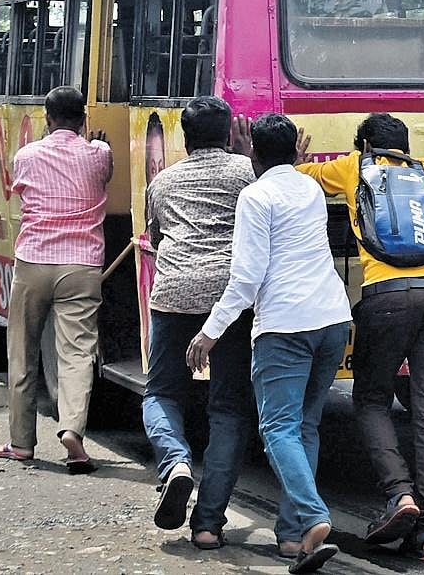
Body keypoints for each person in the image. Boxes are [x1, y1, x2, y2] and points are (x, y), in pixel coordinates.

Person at [187, 114, 352, 573]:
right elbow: (286, 175)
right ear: (296, 153)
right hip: (332, 319)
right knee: (305, 427)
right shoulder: (311, 188)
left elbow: (245, 279)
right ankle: (292, 536)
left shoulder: (255, 196)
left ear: (253, 153)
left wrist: (210, 331)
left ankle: (314, 517)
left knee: (278, 428)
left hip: (286, 326)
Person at [297, 114, 424, 560]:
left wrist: (297, 159)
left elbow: (299, 177)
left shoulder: (354, 166)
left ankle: (400, 494)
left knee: (371, 399)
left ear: (366, 144)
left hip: (386, 296)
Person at [142, 96, 257, 549]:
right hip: (231, 301)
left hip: (173, 295)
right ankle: (208, 523)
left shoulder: (163, 181)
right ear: (230, 135)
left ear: (184, 138)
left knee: (162, 392)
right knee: (228, 407)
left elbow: (153, 237)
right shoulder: (249, 174)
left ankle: (175, 463)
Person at [0, 86, 112, 472]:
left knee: (22, 354)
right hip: (82, 265)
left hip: (33, 262)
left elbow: (20, 193)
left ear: (47, 117)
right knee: (76, 354)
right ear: (84, 120)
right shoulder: (100, 155)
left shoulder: (26, 155)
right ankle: (72, 429)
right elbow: (104, 175)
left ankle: (21, 444)